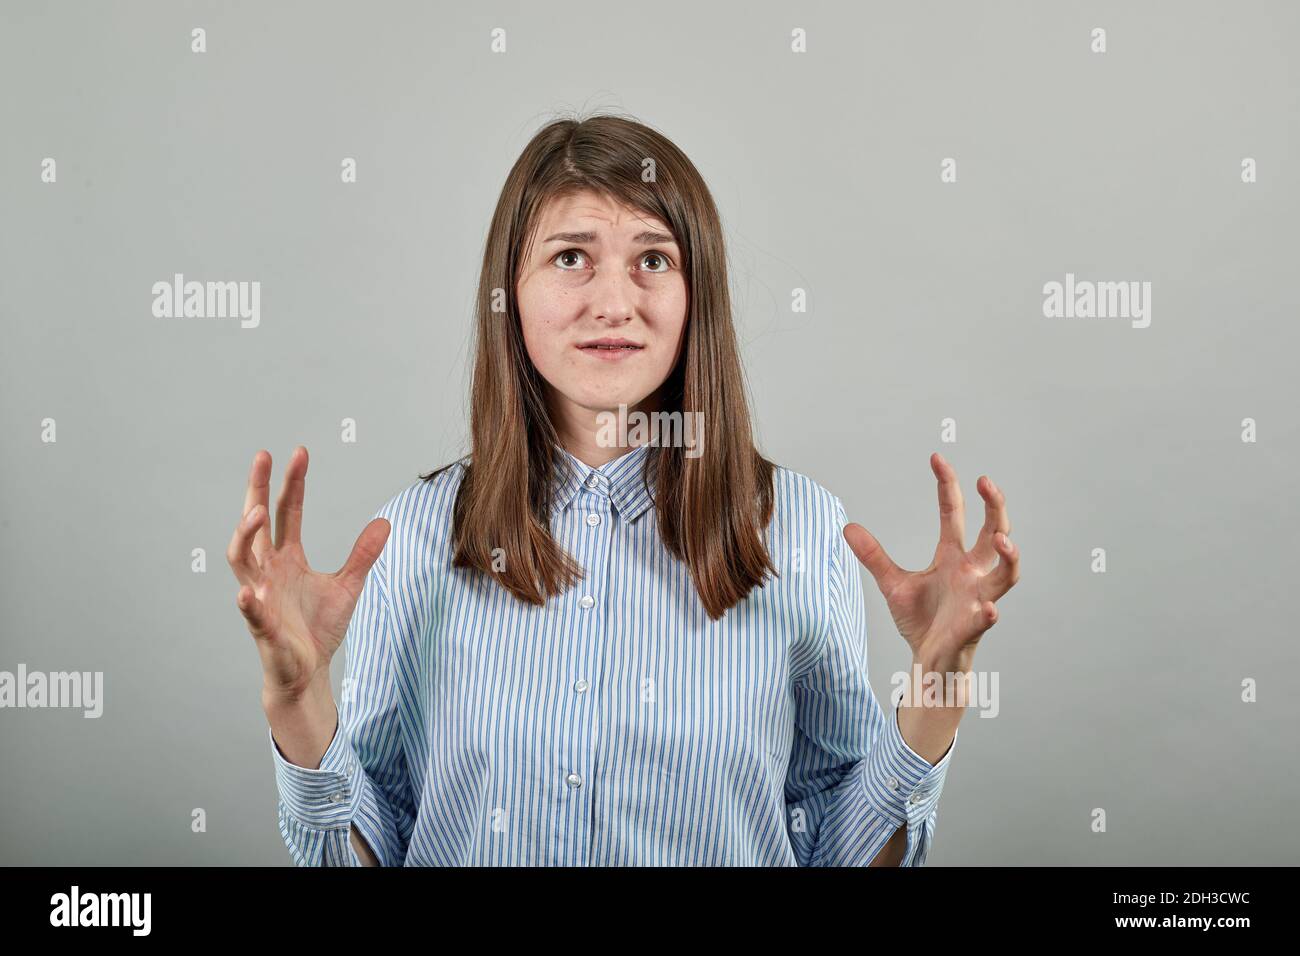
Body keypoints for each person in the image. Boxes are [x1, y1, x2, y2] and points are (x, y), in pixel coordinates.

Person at [227, 113, 1021, 866]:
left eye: (654, 260)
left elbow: (837, 850)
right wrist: (300, 705)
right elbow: (375, 844)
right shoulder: (418, 536)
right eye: (570, 257)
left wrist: (937, 686)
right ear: (511, 292)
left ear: (694, 296)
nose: (614, 304)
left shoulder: (801, 530)